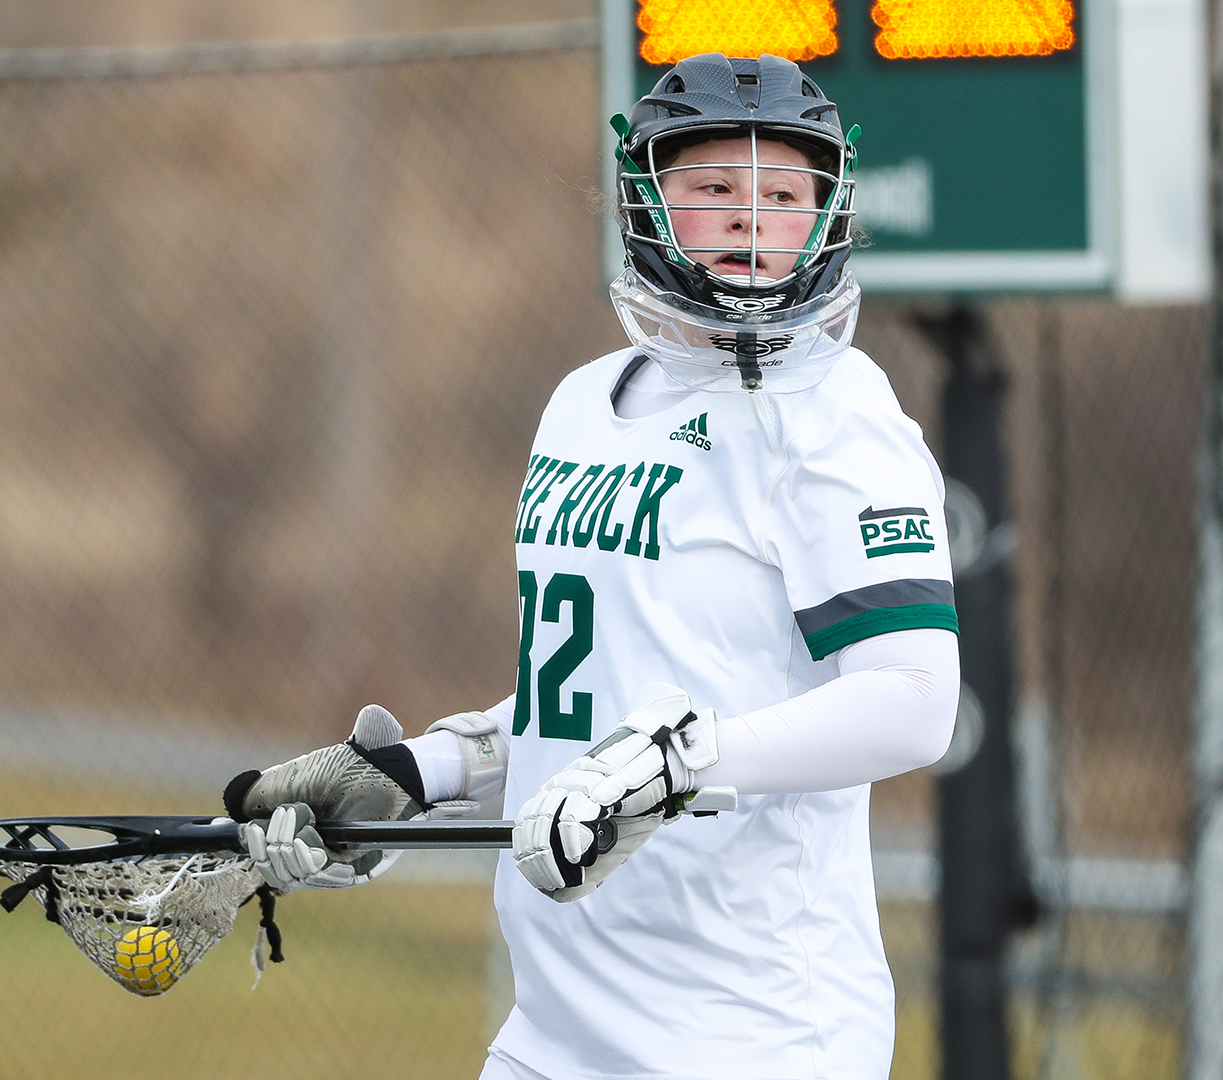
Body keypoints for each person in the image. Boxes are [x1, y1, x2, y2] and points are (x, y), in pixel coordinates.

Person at [223, 53, 961, 1080]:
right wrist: (428, 772)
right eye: (714, 190)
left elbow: (914, 700)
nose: (753, 220)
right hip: (556, 1027)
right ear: (646, 199)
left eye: (785, 195)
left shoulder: (838, 419)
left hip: (753, 1035)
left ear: (828, 214)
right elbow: (588, 694)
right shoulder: (582, 402)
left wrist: (689, 760)